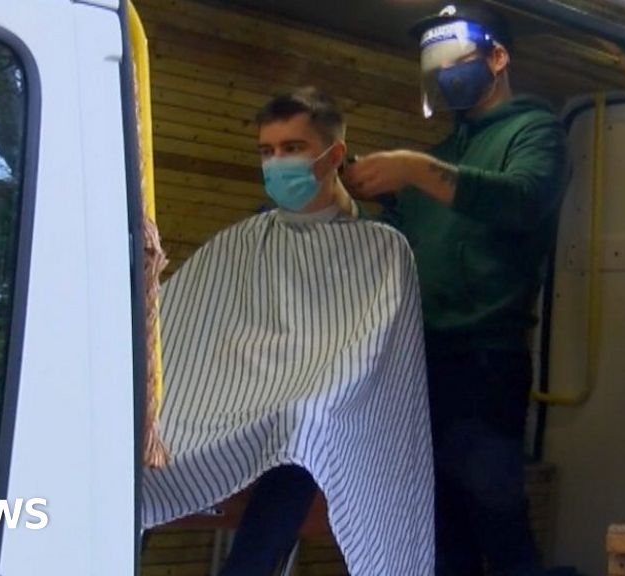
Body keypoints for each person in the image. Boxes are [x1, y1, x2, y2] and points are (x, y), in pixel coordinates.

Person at [143, 87, 435, 576]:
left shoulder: (382, 249)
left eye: (292, 148)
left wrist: (302, 395)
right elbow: (179, 326)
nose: (276, 163)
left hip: (315, 411)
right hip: (223, 405)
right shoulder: (244, 240)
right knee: (135, 429)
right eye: (267, 151)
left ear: (334, 155)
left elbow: (368, 353)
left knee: (302, 428)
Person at [345, 4, 569, 576]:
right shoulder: (444, 154)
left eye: (456, 63)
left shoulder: (535, 131)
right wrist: (351, 206)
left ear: (498, 57)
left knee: (496, 514)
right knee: (440, 523)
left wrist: (415, 170)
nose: (447, 79)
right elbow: (406, 241)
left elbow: (522, 199)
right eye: (436, 71)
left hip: (485, 359)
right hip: (421, 360)